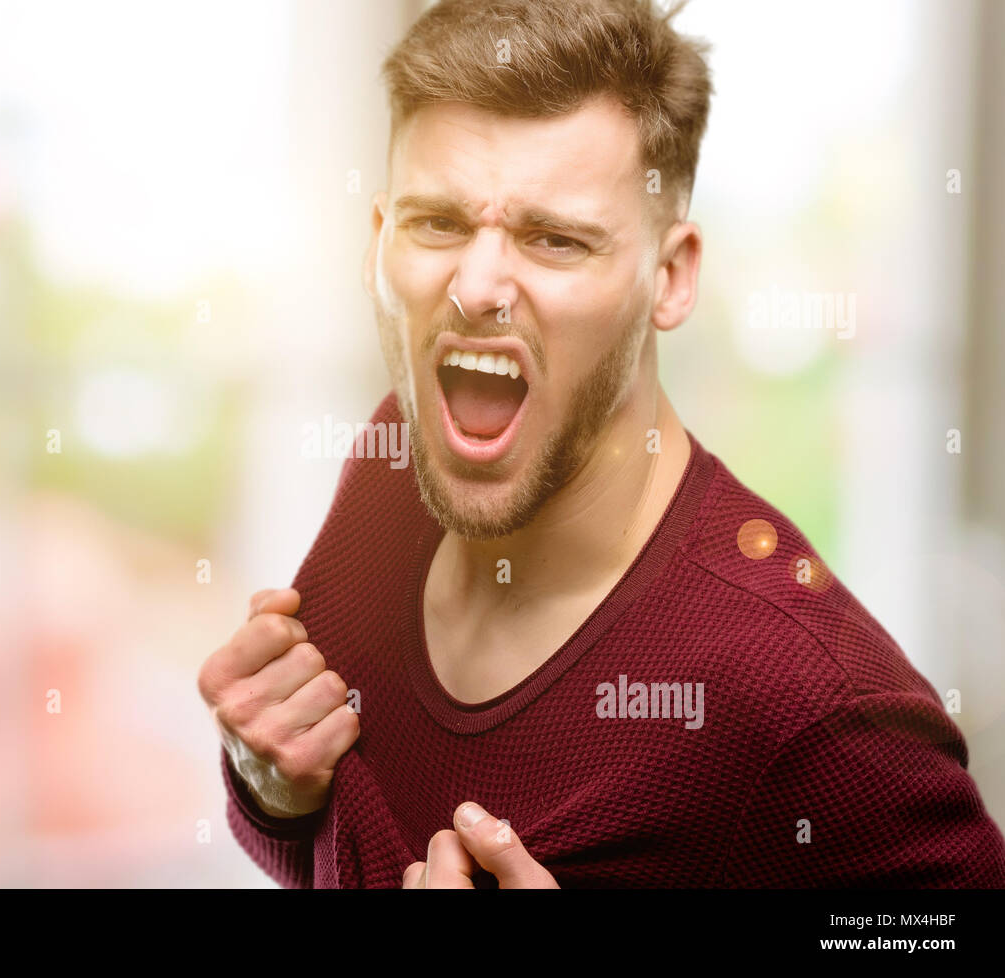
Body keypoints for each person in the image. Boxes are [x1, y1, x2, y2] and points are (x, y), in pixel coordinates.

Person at [197, 0, 1005, 888]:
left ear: (670, 274)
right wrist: (275, 790)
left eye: (555, 239)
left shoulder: (810, 698)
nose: (476, 286)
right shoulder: (398, 458)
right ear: (379, 239)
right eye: (437, 224)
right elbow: (344, 851)